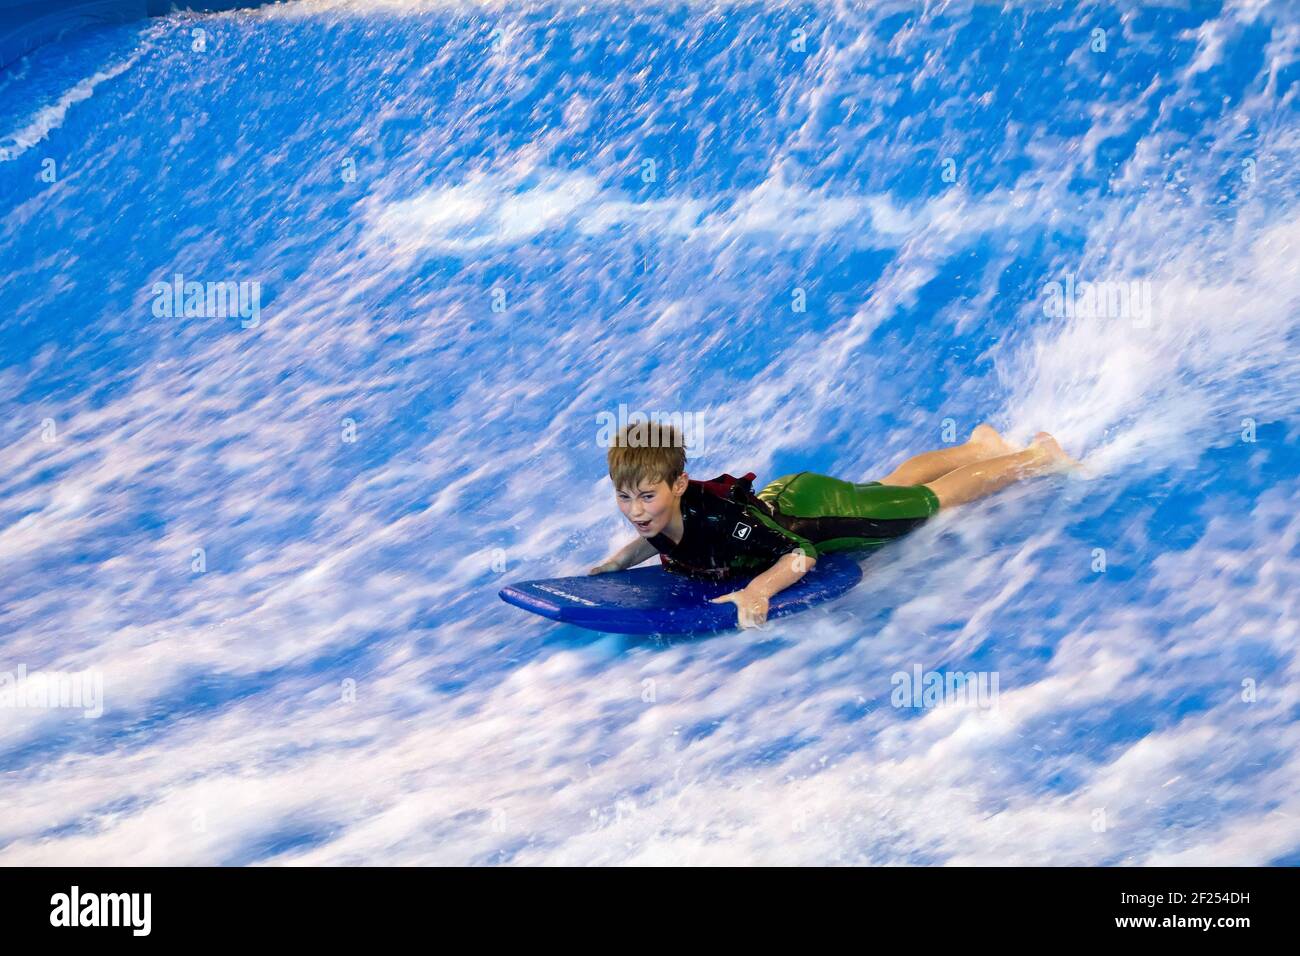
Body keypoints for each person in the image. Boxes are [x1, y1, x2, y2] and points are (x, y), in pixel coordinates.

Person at [590, 422, 1080, 629]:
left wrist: (758, 592)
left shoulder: (721, 523)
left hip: (816, 514)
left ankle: (1038, 457)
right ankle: (980, 448)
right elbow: (654, 535)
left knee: (930, 501)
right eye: (624, 497)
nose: (635, 511)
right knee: (887, 489)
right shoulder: (657, 509)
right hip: (791, 495)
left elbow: (799, 553)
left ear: (679, 485)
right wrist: (618, 562)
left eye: (647, 497)